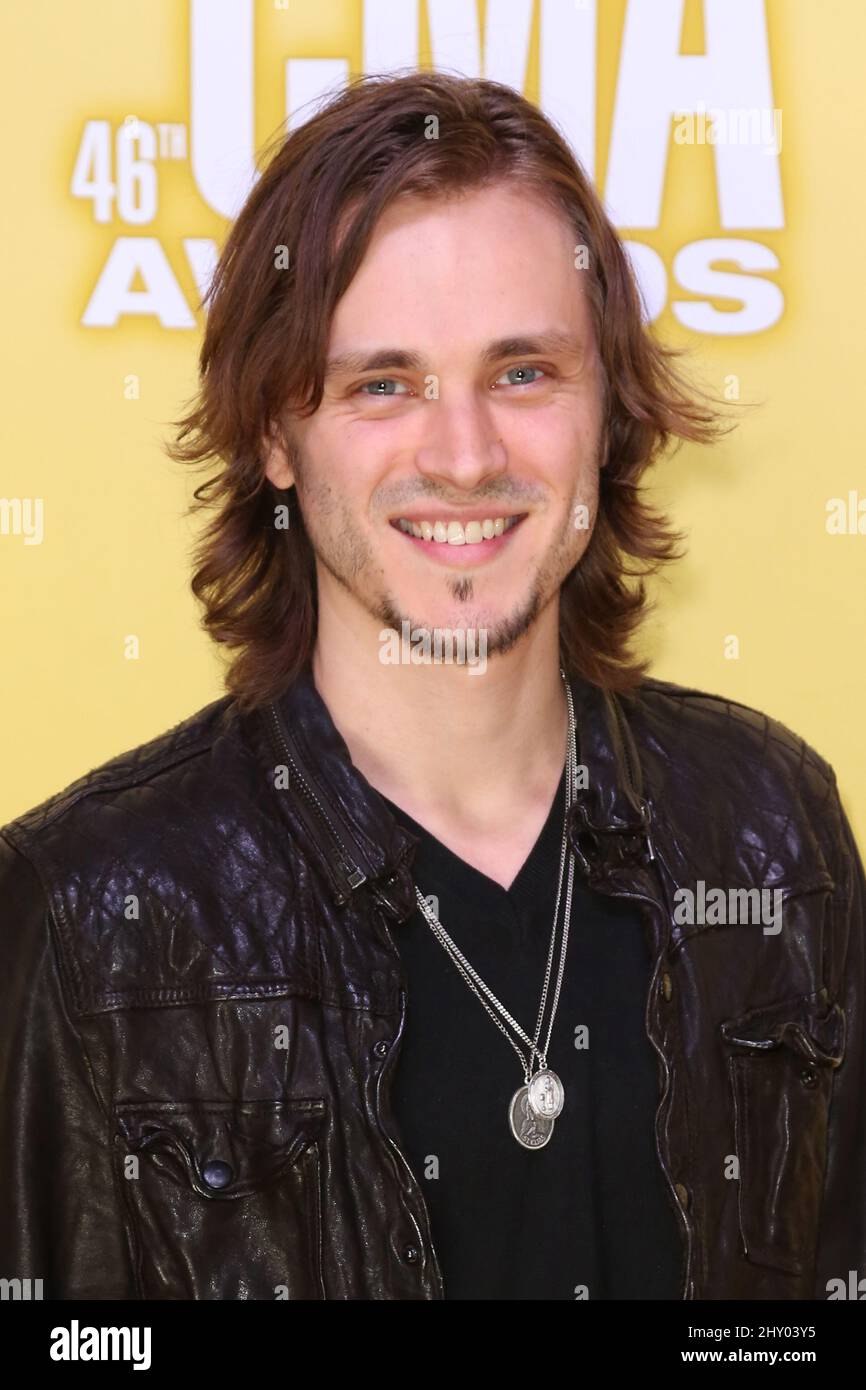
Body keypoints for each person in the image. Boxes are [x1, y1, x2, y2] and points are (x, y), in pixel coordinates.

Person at [0, 70, 863, 1302]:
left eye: (522, 373)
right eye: (381, 384)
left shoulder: (773, 828)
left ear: (606, 411)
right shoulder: (91, 907)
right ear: (275, 438)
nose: (462, 457)